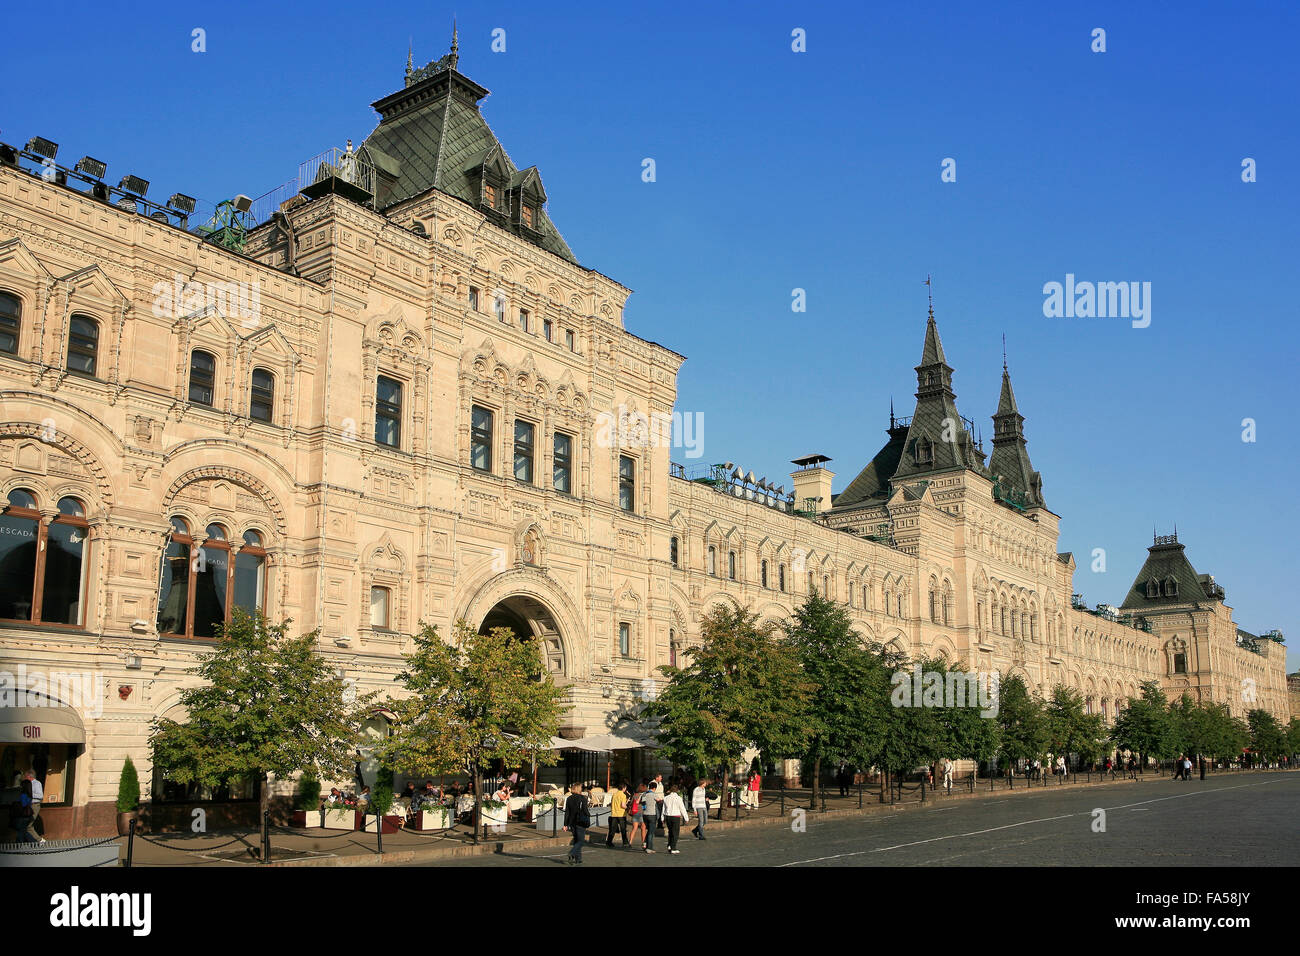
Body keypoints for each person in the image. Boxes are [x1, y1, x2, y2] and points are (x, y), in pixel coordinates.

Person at [562, 783, 591, 865]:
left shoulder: (569, 798)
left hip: (572, 822)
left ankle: (578, 859)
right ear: (579, 789)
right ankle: (572, 852)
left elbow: (567, 812)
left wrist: (565, 824)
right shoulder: (583, 798)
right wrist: (588, 815)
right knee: (581, 841)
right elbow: (585, 810)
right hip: (580, 821)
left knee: (576, 840)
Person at [661, 784, 690, 854]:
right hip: (675, 816)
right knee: (675, 833)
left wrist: (662, 818)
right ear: (677, 790)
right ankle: (673, 848)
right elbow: (682, 809)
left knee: (670, 831)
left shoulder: (666, 798)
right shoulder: (678, 798)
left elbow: (663, 809)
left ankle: (670, 845)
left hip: (668, 816)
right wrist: (686, 818)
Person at [605, 781, 630, 848]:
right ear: (624, 788)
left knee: (612, 830)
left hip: (614, 814)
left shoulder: (614, 794)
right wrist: (627, 807)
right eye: (625, 788)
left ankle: (609, 842)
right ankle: (625, 843)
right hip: (621, 814)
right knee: (623, 830)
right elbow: (623, 805)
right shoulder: (623, 795)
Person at [626, 783, 647, 848]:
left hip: (635, 812)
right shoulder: (644, 795)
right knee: (643, 828)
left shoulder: (635, 795)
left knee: (634, 828)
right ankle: (643, 843)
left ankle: (630, 842)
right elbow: (645, 804)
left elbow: (631, 803)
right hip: (642, 813)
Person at [640, 778, 658, 852]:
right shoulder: (654, 794)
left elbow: (643, 804)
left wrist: (645, 810)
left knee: (649, 830)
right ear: (654, 788)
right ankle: (649, 848)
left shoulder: (644, 794)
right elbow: (659, 800)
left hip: (645, 815)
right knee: (651, 832)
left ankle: (645, 843)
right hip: (652, 814)